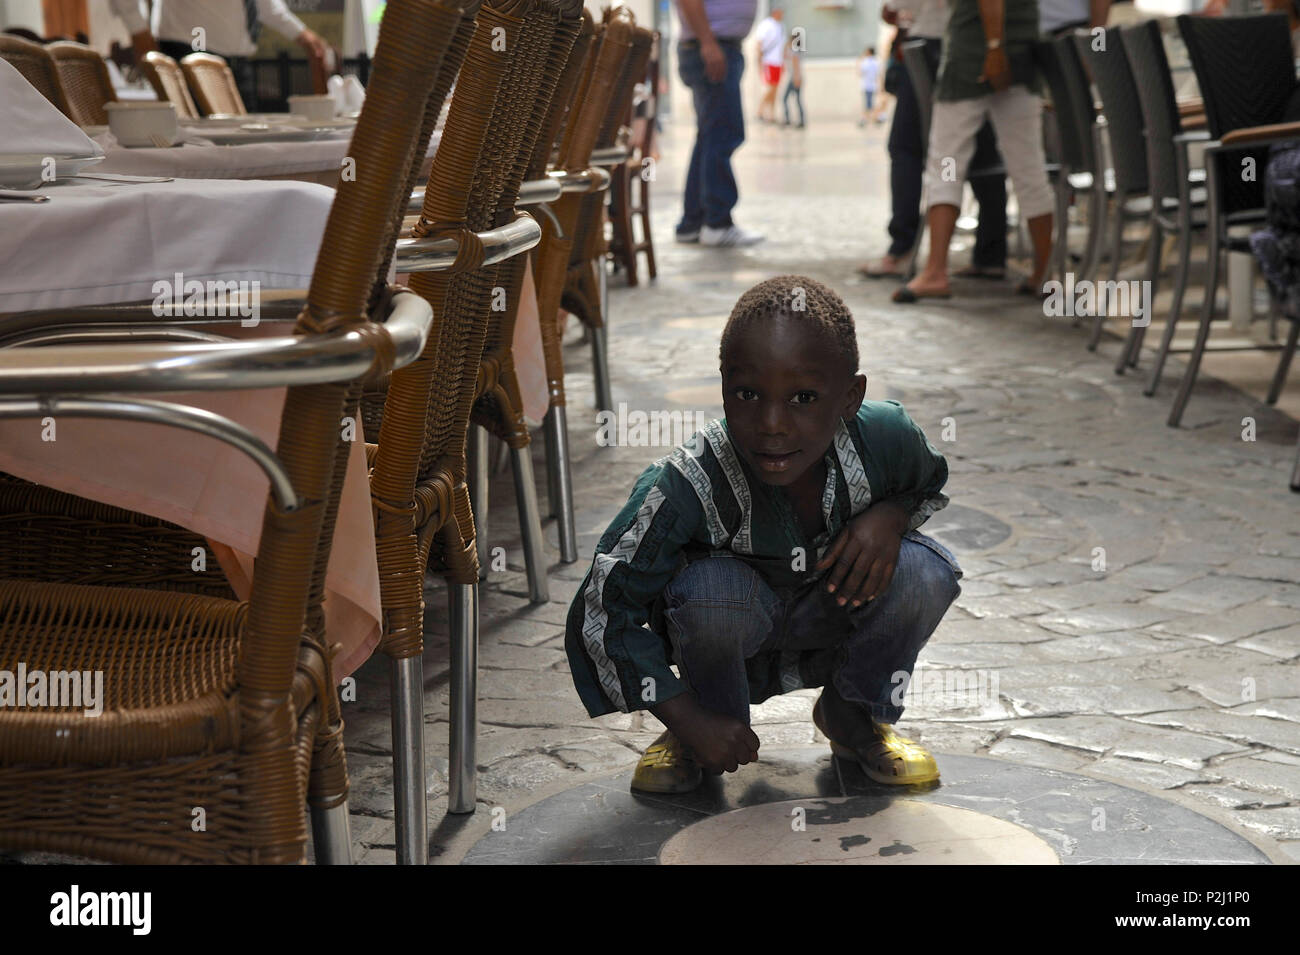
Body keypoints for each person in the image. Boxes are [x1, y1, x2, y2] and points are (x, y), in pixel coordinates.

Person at [565, 276, 961, 793]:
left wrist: (890, 514)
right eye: (747, 393)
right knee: (711, 594)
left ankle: (854, 717)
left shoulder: (885, 437)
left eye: (803, 397)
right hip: (728, 636)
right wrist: (686, 718)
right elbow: (601, 609)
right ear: (724, 383)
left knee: (923, 573)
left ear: (851, 397)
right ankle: (699, 733)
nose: (772, 423)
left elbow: (926, 482)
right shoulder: (686, 482)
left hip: (827, 618)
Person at [894, 0, 1054, 302]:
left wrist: (994, 47)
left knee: (947, 164)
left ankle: (935, 270)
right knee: (1028, 168)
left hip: (972, 59)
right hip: (1020, 57)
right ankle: (1044, 273)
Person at [861, 0, 1009, 282]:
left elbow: (896, 7)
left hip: (938, 46)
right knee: (979, 154)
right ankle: (990, 253)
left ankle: (909, 251)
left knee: (917, 151)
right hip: (973, 48)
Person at [109, 0, 328, 111]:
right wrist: (137, 29)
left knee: (244, 156)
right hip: (188, 50)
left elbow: (263, 5)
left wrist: (301, 34)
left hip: (238, 66)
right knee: (197, 156)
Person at [674, 0, 765, 247]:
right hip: (712, 46)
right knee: (723, 135)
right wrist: (708, 43)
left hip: (715, 45)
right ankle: (717, 223)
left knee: (709, 137)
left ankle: (693, 223)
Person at [754, 8, 785, 124]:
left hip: (778, 62)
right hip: (768, 61)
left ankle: (771, 114)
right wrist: (759, 62)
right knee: (770, 87)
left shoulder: (781, 26)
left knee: (775, 88)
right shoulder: (766, 25)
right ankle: (760, 111)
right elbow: (759, 44)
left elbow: (782, 46)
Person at [781, 32, 805, 128]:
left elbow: (796, 67)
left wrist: (796, 79)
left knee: (785, 99)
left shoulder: (795, 52)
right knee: (797, 100)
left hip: (794, 78)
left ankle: (789, 119)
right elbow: (784, 55)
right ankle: (801, 120)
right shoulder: (794, 51)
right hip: (795, 77)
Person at [858, 46, 880, 127]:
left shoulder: (865, 62)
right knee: (870, 102)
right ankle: (874, 118)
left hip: (867, 85)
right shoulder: (876, 62)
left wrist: (859, 61)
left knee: (868, 103)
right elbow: (878, 75)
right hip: (873, 85)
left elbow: (860, 73)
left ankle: (866, 119)